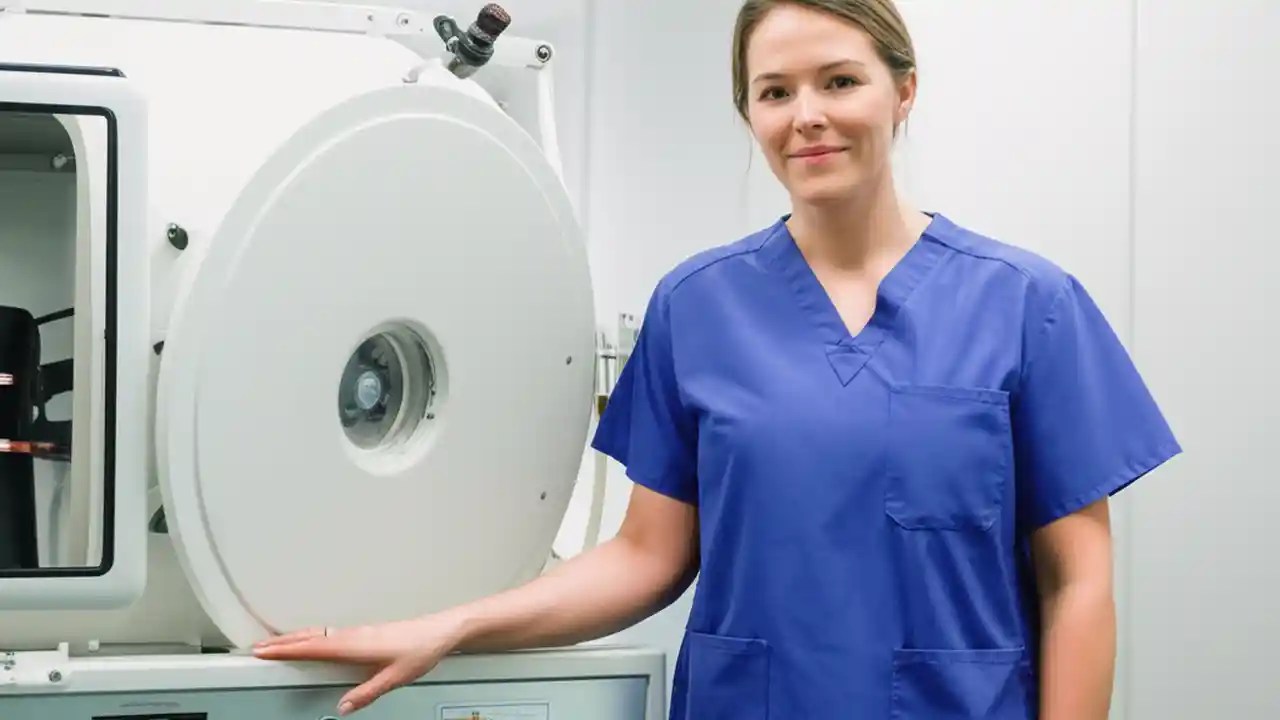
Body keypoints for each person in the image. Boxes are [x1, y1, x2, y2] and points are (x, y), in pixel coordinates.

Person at [253, 1, 1183, 717]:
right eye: (775, 92)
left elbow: (1079, 581)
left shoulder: (1026, 304)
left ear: (904, 92)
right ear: (748, 113)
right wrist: (456, 625)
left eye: (839, 81)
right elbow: (644, 557)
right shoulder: (697, 306)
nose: (806, 117)